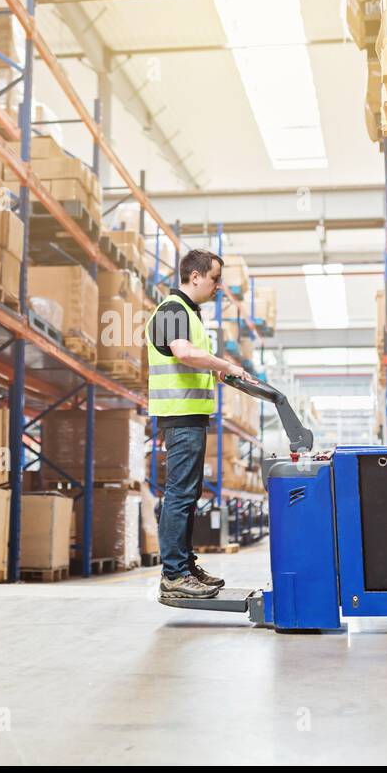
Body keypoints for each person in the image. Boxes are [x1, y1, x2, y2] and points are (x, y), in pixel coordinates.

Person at [147, 248, 256, 599]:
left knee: (188, 493)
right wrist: (224, 365)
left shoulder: (188, 313)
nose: (219, 286)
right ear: (195, 276)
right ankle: (174, 574)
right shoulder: (173, 310)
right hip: (179, 417)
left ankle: (185, 565)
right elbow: (184, 353)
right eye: (214, 278)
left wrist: (217, 372)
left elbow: (192, 359)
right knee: (179, 493)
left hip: (190, 416)